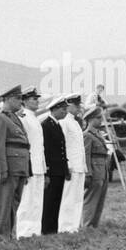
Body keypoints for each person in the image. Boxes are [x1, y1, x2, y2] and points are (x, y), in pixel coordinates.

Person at [0, 85, 31, 240]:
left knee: (14, 204)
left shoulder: (14, 118)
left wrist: (26, 169)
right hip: (8, 168)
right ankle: (2, 238)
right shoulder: (0, 118)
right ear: (7, 99)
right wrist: (1, 169)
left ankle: (10, 236)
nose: (21, 102)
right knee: (3, 205)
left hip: (19, 167)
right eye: (18, 98)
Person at [15, 87, 46, 238]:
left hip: (38, 165)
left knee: (36, 201)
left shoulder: (34, 118)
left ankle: (34, 231)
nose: (37, 101)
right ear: (24, 101)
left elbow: (40, 147)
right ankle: (24, 232)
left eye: (37, 98)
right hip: (29, 165)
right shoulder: (23, 117)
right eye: (33, 99)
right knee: (27, 201)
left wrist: (44, 166)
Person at [40, 96, 70, 234]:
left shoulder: (57, 125)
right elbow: (45, 150)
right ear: (56, 109)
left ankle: (53, 229)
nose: (65, 112)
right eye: (63, 109)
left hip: (59, 170)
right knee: (49, 202)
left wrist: (65, 168)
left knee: (56, 201)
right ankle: (46, 229)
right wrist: (46, 171)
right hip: (52, 170)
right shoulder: (46, 125)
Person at [58, 94, 87, 232]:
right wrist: (66, 165)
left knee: (77, 198)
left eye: (79, 106)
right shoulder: (64, 122)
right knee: (68, 198)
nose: (78, 108)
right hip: (71, 166)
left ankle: (73, 226)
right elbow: (61, 145)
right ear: (68, 105)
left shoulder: (75, 122)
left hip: (79, 166)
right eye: (76, 106)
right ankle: (65, 226)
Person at [81, 106, 111, 227]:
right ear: (90, 119)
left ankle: (94, 225)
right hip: (94, 171)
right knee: (91, 200)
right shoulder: (87, 135)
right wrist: (88, 173)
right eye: (98, 118)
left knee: (99, 200)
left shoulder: (98, 134)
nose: (101, 121)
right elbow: (86, 155)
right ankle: (87, 225)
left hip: (102, 170)